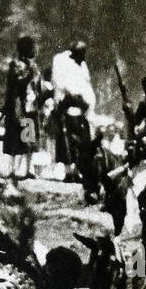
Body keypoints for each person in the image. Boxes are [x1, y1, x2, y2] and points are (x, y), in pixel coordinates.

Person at [50, 40, 99, 196]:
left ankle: (78, 170)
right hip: (68, 106)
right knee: (67, 142)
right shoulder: (62, 62)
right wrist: (70, 97)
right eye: (80, 53)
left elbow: (86, 85)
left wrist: (86, 102)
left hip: (81, 108)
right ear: (73, 53)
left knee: (82, 141)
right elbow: (60, 84)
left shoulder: (82, 65)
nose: (83, 57)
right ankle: (68, 171)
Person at [1, 35, 45, 181]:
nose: (36, 50)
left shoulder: (34, 66)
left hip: (31, 106)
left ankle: (28, 169)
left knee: (29, 138)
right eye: (33, 47)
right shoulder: (16, 64)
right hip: (19, 106)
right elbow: (17, 84)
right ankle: (12, 169)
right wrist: (29, 75)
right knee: (15, 138)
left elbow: (38, 85)